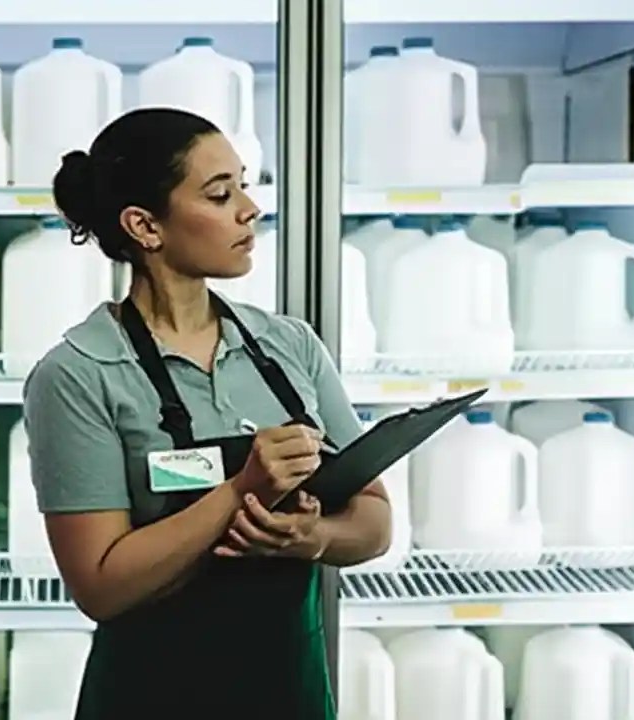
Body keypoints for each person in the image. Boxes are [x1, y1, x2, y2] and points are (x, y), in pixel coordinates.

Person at [22, 107, 392, 719]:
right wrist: (242, 491)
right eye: (221, 194)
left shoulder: (289, 347)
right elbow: (100, 585)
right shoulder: (78, 374)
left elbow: (375, 523)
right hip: (152, 697)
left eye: (244, 185)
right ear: (144, 225)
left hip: (289, 693)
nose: (249, 208)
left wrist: (312, 536)